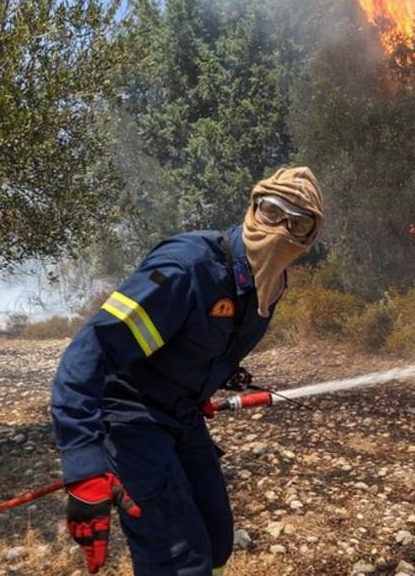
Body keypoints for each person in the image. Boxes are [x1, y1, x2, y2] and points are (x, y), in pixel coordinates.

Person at [50, 167, 324, 576]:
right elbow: (91, 351)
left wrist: (204, 388)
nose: (281, 230)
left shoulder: (269, 284)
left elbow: (205, 344)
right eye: (271, 212)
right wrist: (82, 464)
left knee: (215, 544)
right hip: (131, 416)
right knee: (179, 561)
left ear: (308, 237)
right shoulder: (188, 269)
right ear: (253, 208)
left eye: (297, 223)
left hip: (182, 415)